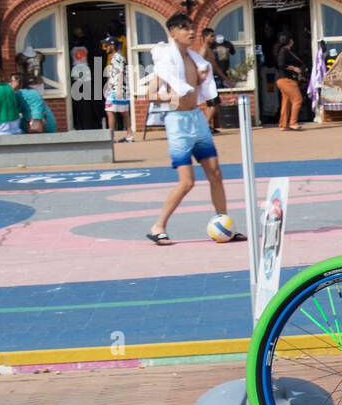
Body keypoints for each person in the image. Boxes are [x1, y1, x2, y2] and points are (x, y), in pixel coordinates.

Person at [146, 13, 244, 246]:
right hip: (177, 122)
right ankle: (158, 226)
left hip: (196, 118)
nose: (190, 32)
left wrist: (199, 84)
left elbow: (196, 90)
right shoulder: (166, 62)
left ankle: (224, 225)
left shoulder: (194, 60)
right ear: (172, 33)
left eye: (191, 28)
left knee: (216, 174)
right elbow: (150, 94)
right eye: (183, 28)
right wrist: (174, 97)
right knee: (187, 182)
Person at [100, 36, 134, 143]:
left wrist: (118, 89)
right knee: (124, 112)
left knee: (110, 112)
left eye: (106, 45)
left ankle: (111, 137)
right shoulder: (118, 57)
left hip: (117, 90)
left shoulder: (116, 58)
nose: (105, 48)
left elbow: (120, 73)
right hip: (120, 89)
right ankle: (129, 136)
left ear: (112, 45)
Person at [275, 32, 304, 131]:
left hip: (282, 80)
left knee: (286, 102)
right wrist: (294, 68)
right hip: (287, 80)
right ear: (290, 41)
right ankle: (293, 123)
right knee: (298, 99)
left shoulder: (286, 51)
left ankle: (283, 124)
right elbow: (281, 64)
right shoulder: (284, 51)